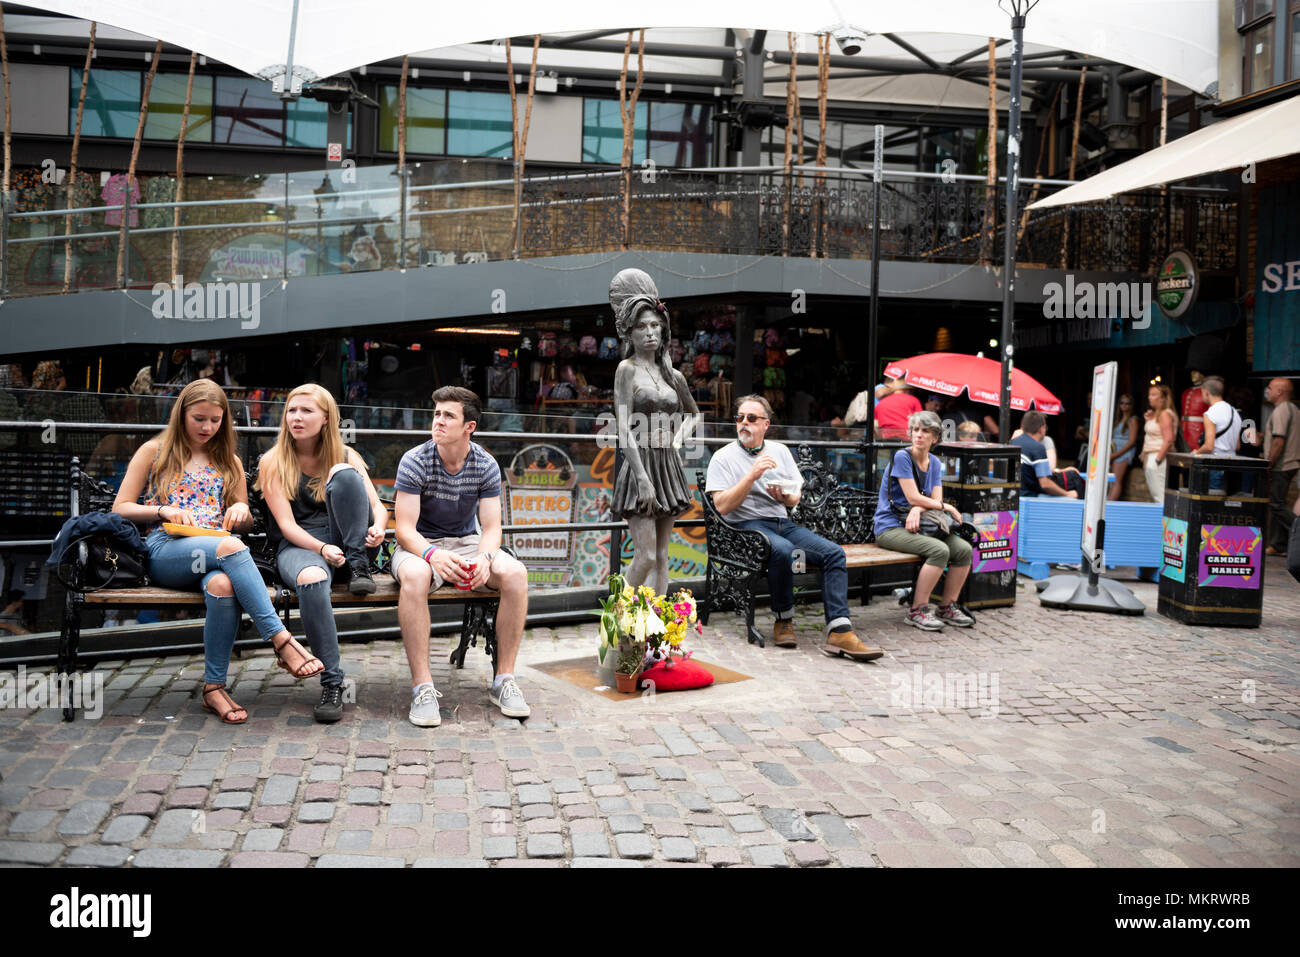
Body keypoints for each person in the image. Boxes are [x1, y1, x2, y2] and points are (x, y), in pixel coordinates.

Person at [112, 379, 323, 724]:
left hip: (218, 554)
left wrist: (241, 512)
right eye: (199, 419)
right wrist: (161, 510)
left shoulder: (230, 462)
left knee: (222, 586)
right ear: (181, 415)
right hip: (166, 550)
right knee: (228, 545)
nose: (207, 427)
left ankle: (214, 688)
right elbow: (119, 508)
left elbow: (241, 517)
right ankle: (281, 639)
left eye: (215, 420)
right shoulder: (155, 451)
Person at [391, 387, 530, 727]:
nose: (438, 421)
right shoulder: (415, 460)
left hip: (468, 543)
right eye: (436, 413)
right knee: (416, 577)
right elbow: (404, 530)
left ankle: (504, 681)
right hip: (419, 545)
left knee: (515, 574)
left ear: (469, 426)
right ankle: (422, 687)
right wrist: (432, 554)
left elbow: (493, 527)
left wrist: (484, 559)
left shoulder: (484, 463)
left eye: (448, 415)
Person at [705, 394, 883, 660]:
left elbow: (795, 496)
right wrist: (752, 475)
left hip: (781, 522)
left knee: (834, 553)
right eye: (739, 418)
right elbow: (722, 506)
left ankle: (840, 631)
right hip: (745, 528)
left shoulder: (780, 451)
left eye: (751, 418)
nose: (744, 423)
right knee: (784, 550)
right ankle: (783, 619)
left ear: (766, 424)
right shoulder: (723, 457)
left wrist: (785, 497)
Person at [256, 384, 391, 722]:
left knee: (344, 475)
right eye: (291, 411)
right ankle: (332, 682)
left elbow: (378, 507)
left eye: (306, 411)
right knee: (313, 579)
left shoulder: (346, 456)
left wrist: (378, 528)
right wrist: (322, 548)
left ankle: (360, 567)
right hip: (301, 546)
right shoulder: (273, 462)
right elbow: (287, 527)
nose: (296, 418)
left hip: (349, 547)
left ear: (327, 417)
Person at [609, 268, 698, 595]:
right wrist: (642, 476)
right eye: (641, 327)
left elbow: (693, 414)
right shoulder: (626, 370)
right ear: (629, 333)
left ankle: (655, 634)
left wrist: (676, 440)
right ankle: (618, 628)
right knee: (644, 555)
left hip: (667, 463)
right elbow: (622, 427)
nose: (649, 333)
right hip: (640, 466)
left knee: (662, 556)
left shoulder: (673, 374)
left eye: (655, 326)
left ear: (663, 331)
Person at [871, 410, 975, 631]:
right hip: (890, 527)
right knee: (939, 550)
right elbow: (915, 497)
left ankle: (946, 607)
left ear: (935, 438)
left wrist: (918, 509)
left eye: (925, 431)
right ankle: (917, 609)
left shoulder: (935, 462)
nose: (918, 435)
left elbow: (932, 499)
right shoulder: (902, 457)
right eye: (915, 430)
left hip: (921, 525)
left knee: (964, 550)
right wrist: (945, 506)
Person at [1262, 378, 1299, 555]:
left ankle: (1296, 531)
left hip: (1282, 465)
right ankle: (1279, 544)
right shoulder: (1293, 409)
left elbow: (1278, 440)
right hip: (1290, 463)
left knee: (1277, 504)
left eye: (1269, 388)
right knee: (1277, 503)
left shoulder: (1281, 411)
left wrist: (1269, 463)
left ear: (1279, 391)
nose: (1267, 391)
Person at [1010, 411, 1082, 498]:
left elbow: (1030, 470)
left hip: (1014, 495)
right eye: (1045, 427)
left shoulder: (1013, 442)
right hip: (1029, 496)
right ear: (1041, 429)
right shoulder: (1037, 448)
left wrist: (1059, 471)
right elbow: (1045, 484)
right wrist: (1067, 494)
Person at [1192, 376, 1241, 494]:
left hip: (1215, 465)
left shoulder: (1211, 413)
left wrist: (1196, 453)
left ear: (1206, 392)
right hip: (1233, 466)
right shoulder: (1234, 412)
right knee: (1227, 507)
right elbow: (1237, 446)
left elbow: (1209, 446)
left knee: (1211, 506)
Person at [1141, 383, 1179, 503]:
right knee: (1157, 494)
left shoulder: (1165, 414)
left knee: (1160, 495)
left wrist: (1157, 460)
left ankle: (1163, 521)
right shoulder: (1159, 414)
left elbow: (1168, 439)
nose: (1149, 397)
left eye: (1153, 395)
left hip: (1157, 456)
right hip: (1153, 456)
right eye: (1149, 395)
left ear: (1163, 398)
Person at [1109, 394, 1139, 501]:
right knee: (1112, 480)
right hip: (1115, 451)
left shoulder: (1132, 420)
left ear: (1131, 405)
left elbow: (1132, 441)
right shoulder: (1118, 419)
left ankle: (1110, 504)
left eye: (1128, 403)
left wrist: (1115, 455)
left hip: (1123, 452)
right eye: (1122, 403)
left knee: (1116, 480)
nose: (1124, 405)